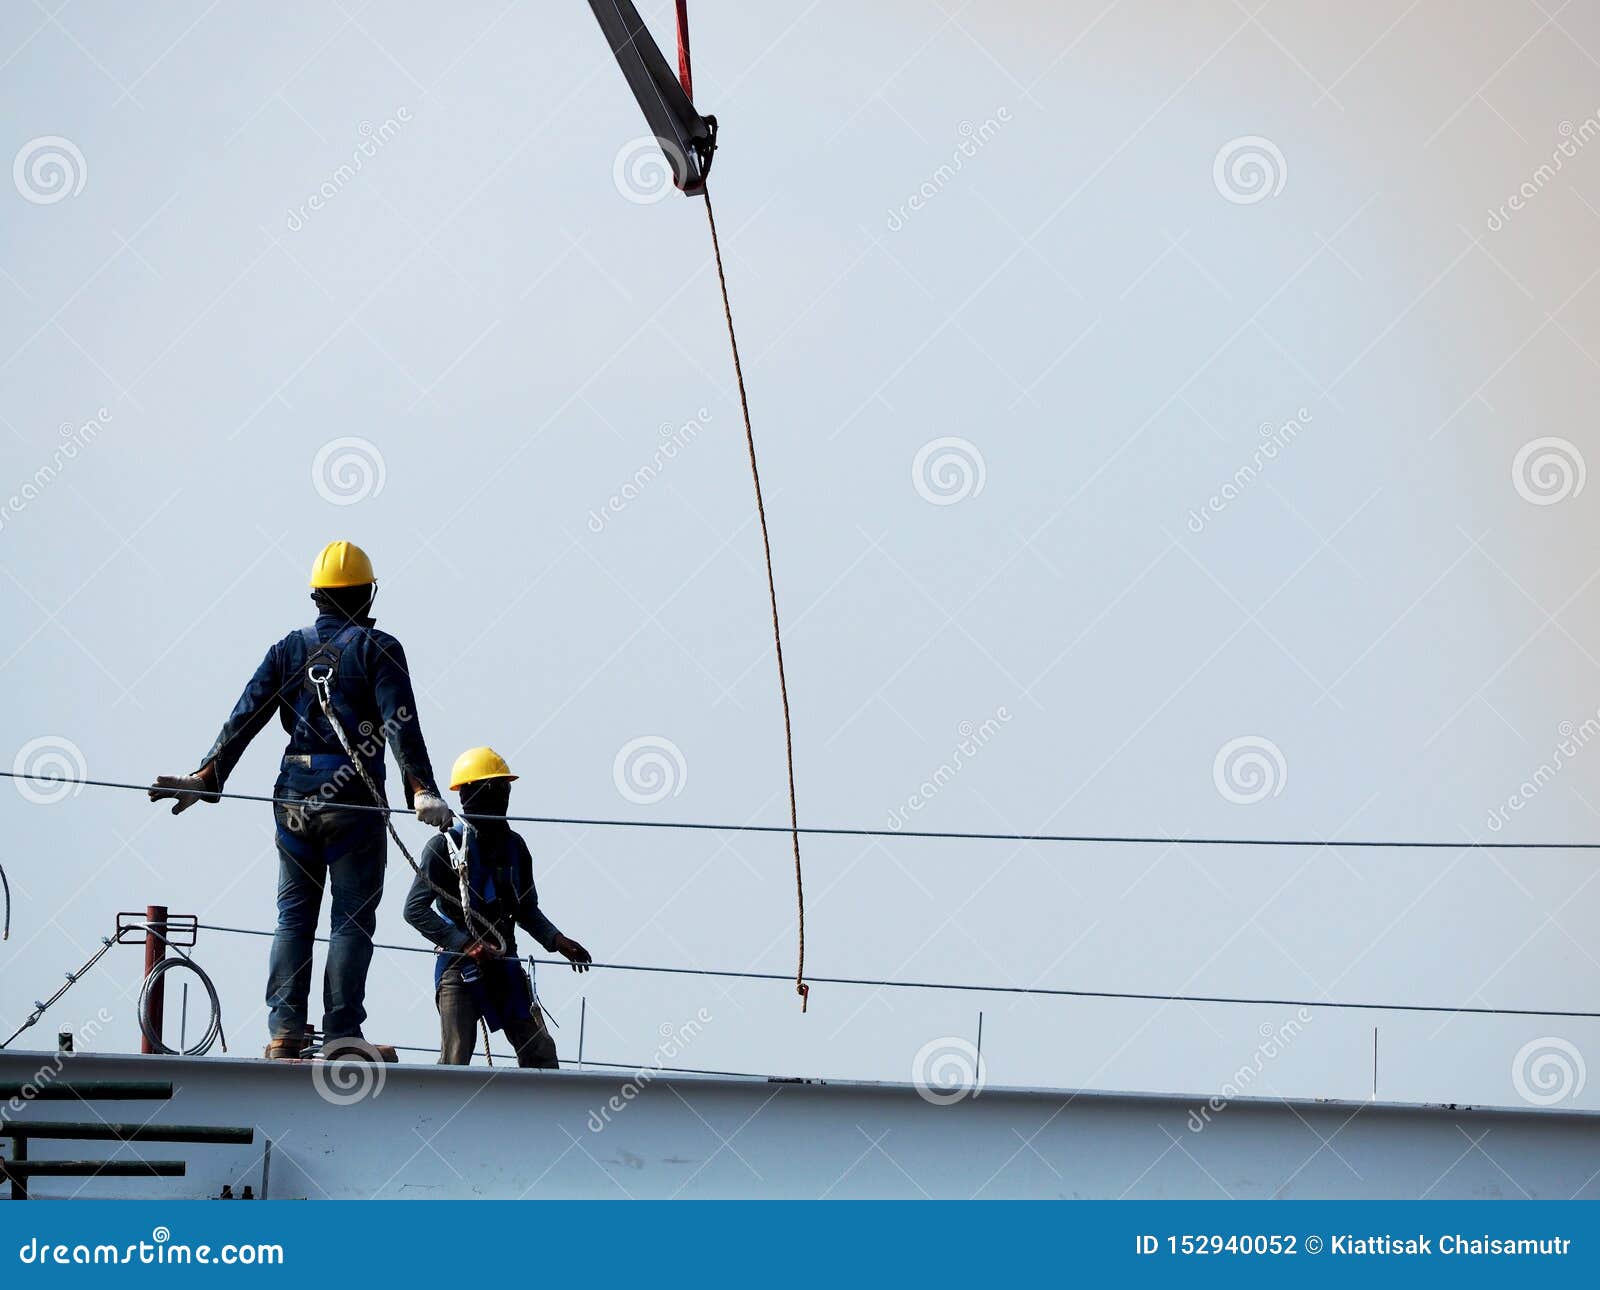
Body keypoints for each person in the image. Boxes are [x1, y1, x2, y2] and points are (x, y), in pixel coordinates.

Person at [148, 540, 453, 1060]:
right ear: (367, 593)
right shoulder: (379, 648)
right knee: (350, 919)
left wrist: (208, 773)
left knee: (293, 917)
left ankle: (285, 1032)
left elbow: (248, 712)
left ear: (317, 596)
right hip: (351, 799)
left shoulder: (289, 648)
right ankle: (340, 1035)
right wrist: (421, 789)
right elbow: (402, 722)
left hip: (293, 795)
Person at [404, 746, 591, 1067]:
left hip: (503, 965)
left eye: (505, 788)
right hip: (459, 969)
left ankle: (540, 1115)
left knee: (540, 1054)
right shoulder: (445, 848)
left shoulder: (515, 847)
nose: (502, 795)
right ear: (468, 794)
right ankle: (442, 1116)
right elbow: (414, 910)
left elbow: (526, 909)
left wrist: (557, 940)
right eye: (494, 788)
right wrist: (463, 943)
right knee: (455, 1056)